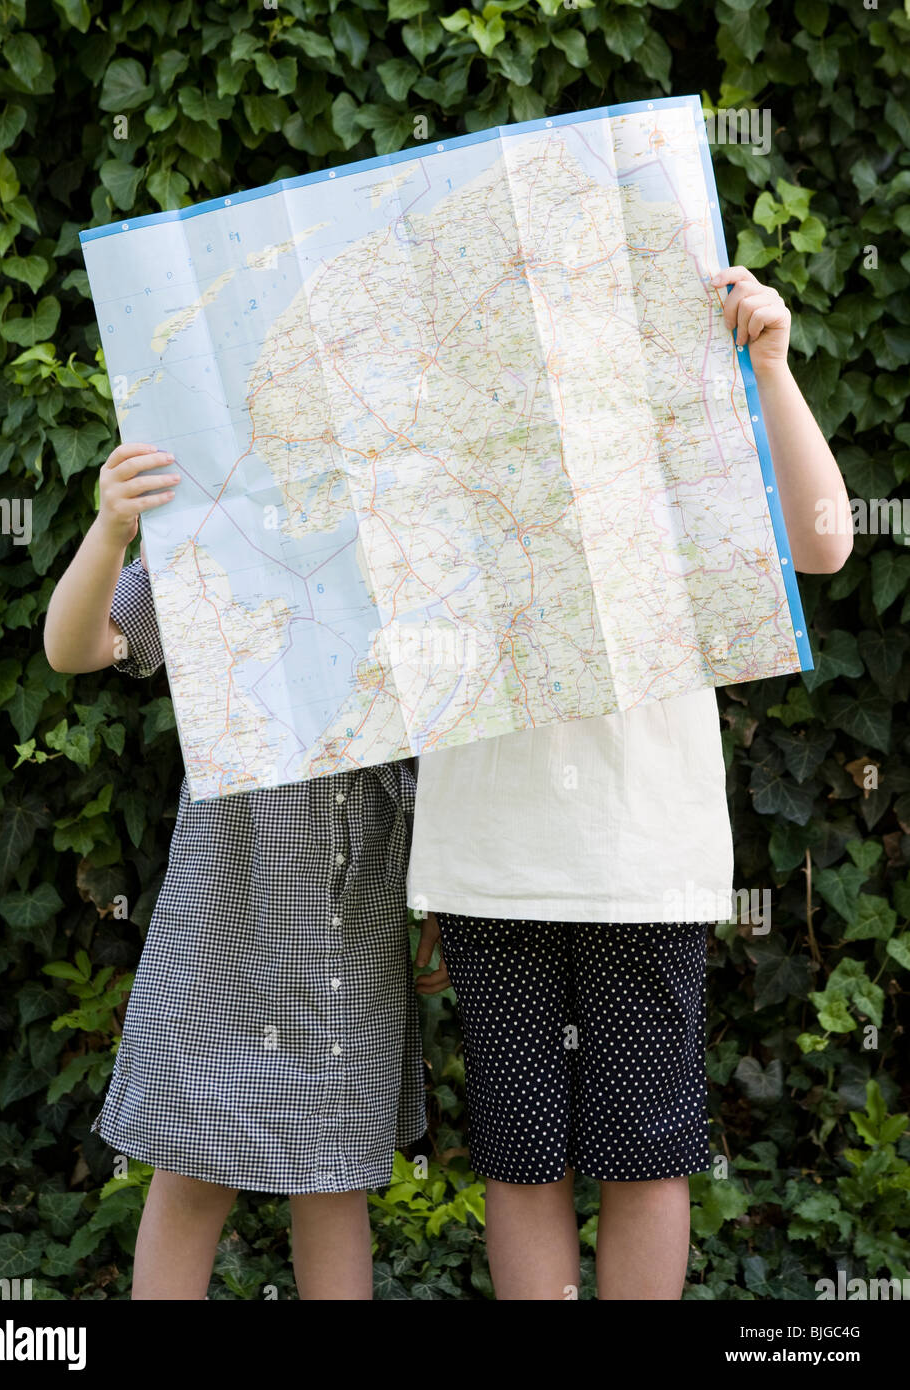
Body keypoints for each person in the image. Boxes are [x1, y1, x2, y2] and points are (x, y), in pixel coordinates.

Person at [409, 265, 854, 1300]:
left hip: (636, 854)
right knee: (523, 1154)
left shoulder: (678, 449)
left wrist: (772, 371)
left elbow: (824, 540)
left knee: (648, 1149)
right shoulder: (447, 451)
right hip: (495, 862)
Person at [43, 443, 426, 1301]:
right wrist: (111, 529)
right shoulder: (213, 533)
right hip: (227, 910)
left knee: (332, 1181)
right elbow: (75, 647)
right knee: (191, 1170)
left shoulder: (407, 535)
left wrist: (435, 896)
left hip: (348, 920)